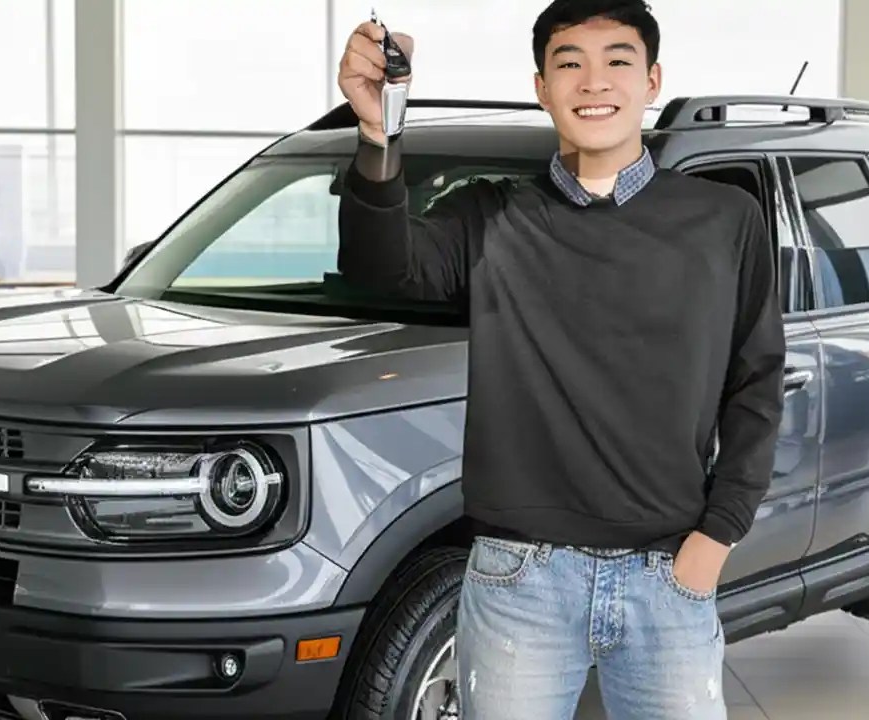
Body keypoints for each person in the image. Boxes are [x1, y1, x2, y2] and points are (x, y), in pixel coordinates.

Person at [335, 0, 786, 718]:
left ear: (652, 80)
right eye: (569, 63)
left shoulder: (724, 220)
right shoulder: (489, 215)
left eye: (617, 62)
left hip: (670, 575)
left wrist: (718, 535)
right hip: (520, 581)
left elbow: (757, 383)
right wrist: (377, 127)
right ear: (542, 86)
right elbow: (380, 267)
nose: (592, 82)